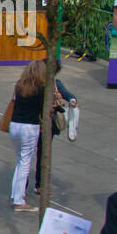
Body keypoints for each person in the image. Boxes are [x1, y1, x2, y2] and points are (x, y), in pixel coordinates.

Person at [6, 60, 46, 212]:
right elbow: (44, 108)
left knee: (20, 160)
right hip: (30, 126)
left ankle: (15, 194)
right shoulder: (41, 89)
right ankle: (19, 200)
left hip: (15, 125)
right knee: (25, 162)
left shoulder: (19, 85)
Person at [34, 60, 77, 194]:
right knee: (34, 154)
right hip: (36, 122)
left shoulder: (56, 84)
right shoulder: (37, 84)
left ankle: (40, 184)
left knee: (43, 152)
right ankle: (34, 185)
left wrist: (72, 100)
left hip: (49, 124)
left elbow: (69, 95)